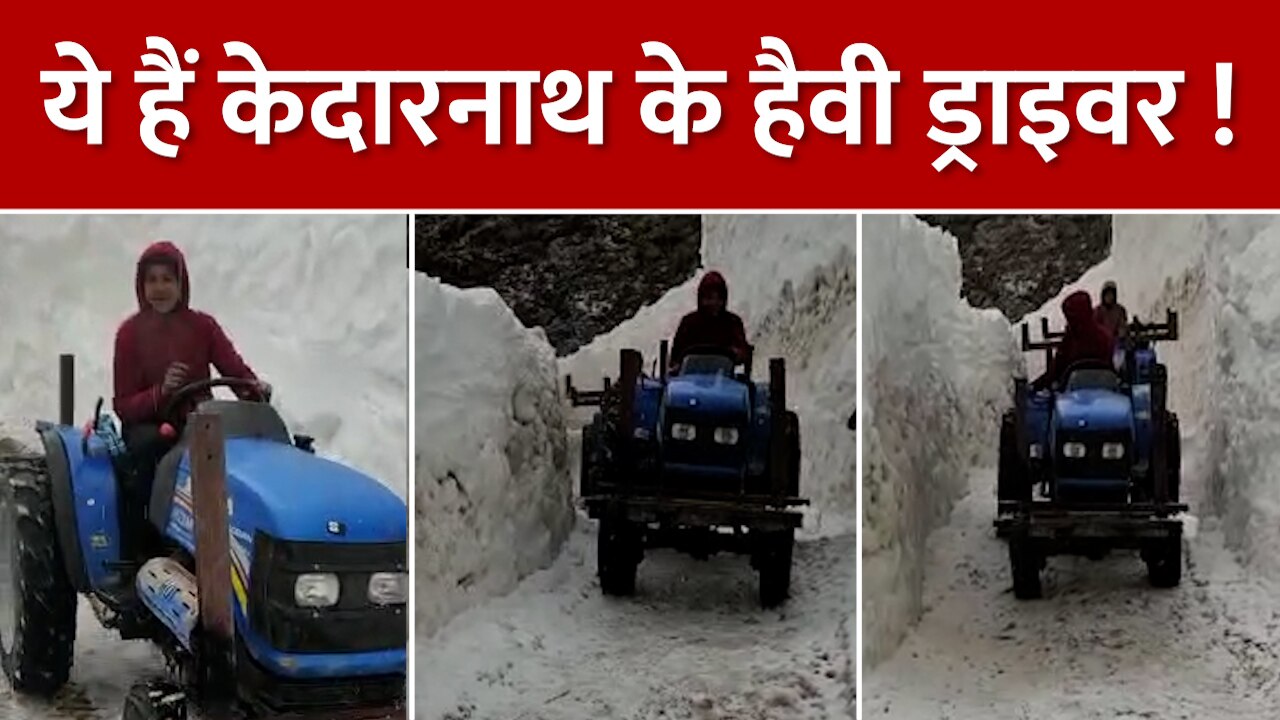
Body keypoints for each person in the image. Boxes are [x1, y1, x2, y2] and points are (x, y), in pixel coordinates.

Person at [112, 241, 271, 525]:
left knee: (245, 449)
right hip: (151, 427)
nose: (159, 288)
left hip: (199, 424)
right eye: (152, 280)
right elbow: (124, 405)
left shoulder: (203, 327)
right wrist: (161, 392)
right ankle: (148, 534)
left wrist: (253, 389)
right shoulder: (129, 334)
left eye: (167, 279)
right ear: (141, 285)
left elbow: (235, 370)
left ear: (181, 283)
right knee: (151, 450)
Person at [668, 271, 750, 374]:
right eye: (709, 298)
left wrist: (738, 353)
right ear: (701, 299)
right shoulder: (688, 323)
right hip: (689, 378)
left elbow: (743, 352)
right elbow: (675, 358)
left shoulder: (733, 322)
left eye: (719, 298)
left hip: (723, 377)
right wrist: (676, 365)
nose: (714, 303)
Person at [1031, 290, 1114, 391]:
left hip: (1076, 392)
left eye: (1071, 316)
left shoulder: (1071, 340)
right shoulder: (1104, 336)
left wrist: (1036, 386)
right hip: (1103, 390)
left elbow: (1056, 369)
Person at [1094, 280, 1129, 345]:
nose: (1109, 297)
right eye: (1107, 295)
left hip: (1116, 343)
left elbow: (1122, 325)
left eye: (1111, 294)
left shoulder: (1120, 310)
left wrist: (1121, 332)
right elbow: (1094, 328)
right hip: (1101, 343)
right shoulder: (1098, 311)